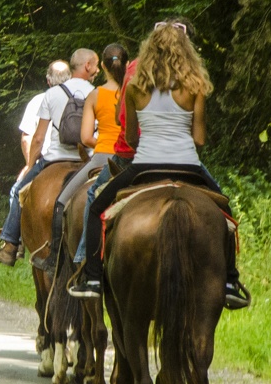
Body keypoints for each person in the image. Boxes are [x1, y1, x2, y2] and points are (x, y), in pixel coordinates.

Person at [69, 20, 250, 309]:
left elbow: (129, 137)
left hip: (144, 166)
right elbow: (200, 139)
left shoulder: (135, 87)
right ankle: (229, 281)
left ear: (149, 51)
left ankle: (91, 278)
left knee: (96, 208)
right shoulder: (195, 86)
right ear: (185, 51)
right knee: (225, 212)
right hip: (188, 166)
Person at [0, 48, 100, 266]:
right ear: (87, 66)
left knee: (20, 191)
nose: (97, 70)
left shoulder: (51, 95)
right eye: (96, 65)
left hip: (54, 160)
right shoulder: (97, 92)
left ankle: (11, 244)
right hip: (87, 162)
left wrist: (29, 165)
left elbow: (38, 138)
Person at [36, 43, 127, 272]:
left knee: (61, 202)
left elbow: (86, 138)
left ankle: (59, 257)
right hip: (132, 157)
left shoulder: (96, 95)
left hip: (103, 157)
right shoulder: (135, 91)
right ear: (126, 64)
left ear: (104, 67)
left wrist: (106, 144)